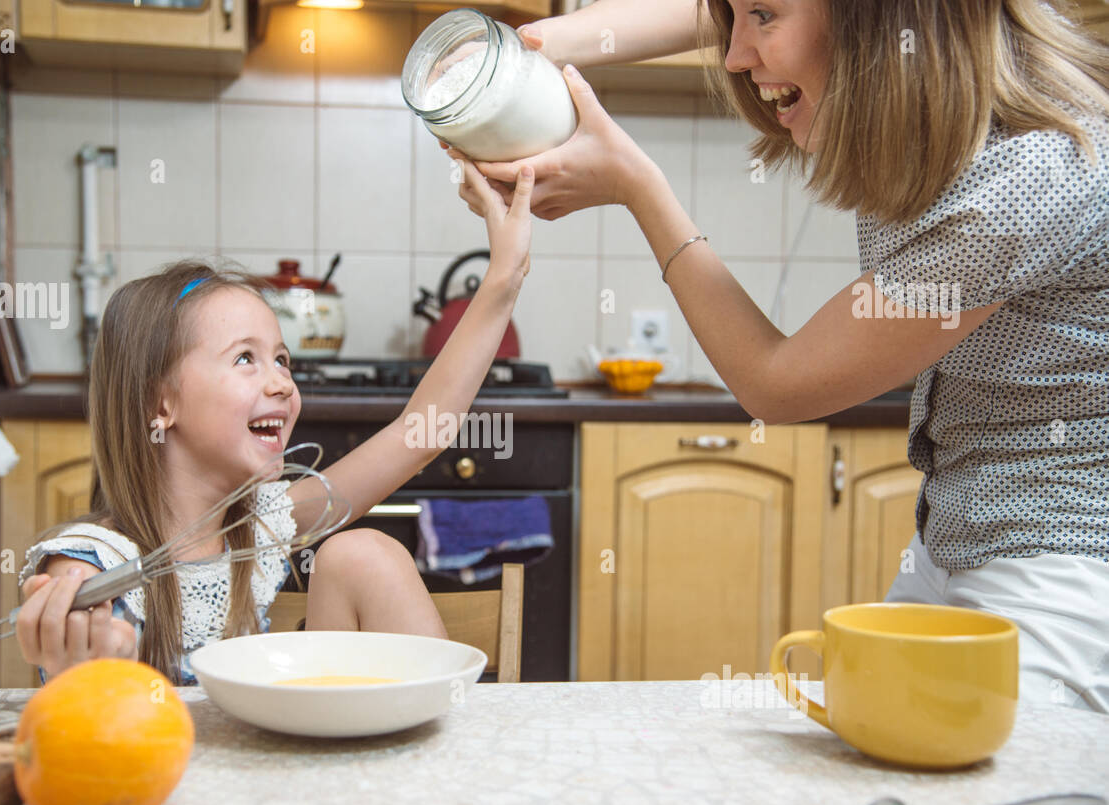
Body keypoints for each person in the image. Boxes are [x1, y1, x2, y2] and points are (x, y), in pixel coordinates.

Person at [445, 0, 1109, 710]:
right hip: (951, 541)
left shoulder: (1028, 180)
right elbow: (705, 11)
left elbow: (778, 384)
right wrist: (520, 52)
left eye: (761, 17)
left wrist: (638, 187)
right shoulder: (957, 94)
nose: (733, 55)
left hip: (1055, 575)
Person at [13, 161, 535, 685]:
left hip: (268, 763)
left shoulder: (260, 525)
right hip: (155, 760)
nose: (283, 384)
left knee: (362, 553)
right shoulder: (95, 563)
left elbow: (418, 435)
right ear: (161, 404)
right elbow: (76, 667)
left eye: (282, 360)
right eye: (245, 359)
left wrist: (504, 276)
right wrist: (75, 649)